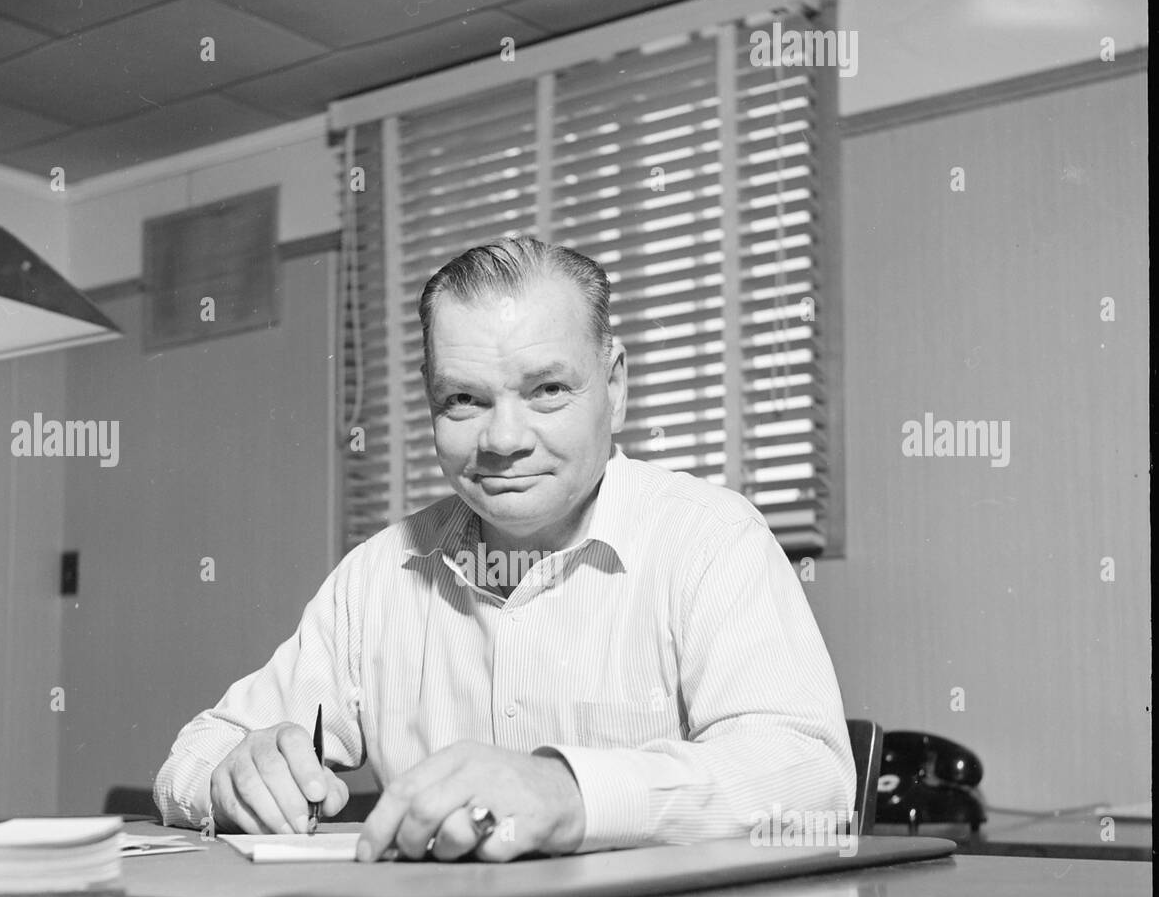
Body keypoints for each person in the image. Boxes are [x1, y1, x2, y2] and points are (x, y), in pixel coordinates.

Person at [154, 236, 855, 862]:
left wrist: (569, 791)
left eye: (547, 389)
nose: (503, 440)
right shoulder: (377, 577)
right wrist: (232, 777)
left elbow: (810, 780)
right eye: (464, 399)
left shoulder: (710, 540)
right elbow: (198, 751)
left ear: (614, 386)